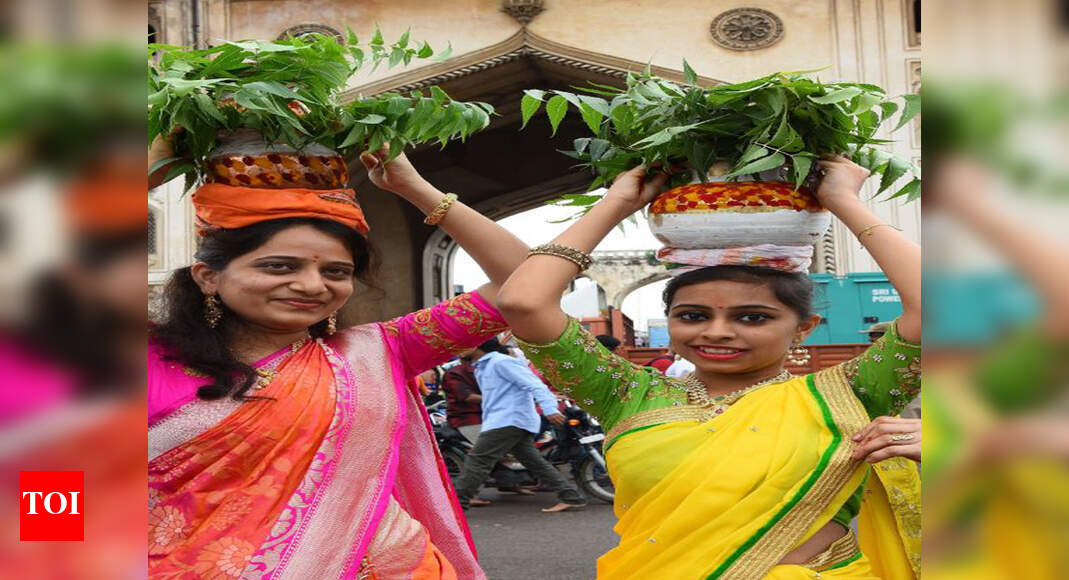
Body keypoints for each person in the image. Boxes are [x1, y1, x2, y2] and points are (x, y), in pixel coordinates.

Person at [496, 156, 922, 579]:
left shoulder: (848, 393)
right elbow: (523, 302)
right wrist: (617, 202)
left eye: (752, 317)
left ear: (803, 329)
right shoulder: (626, 392)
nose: (716, 332)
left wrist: (843, 200)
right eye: (693, 316)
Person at [147, 143, 529, 580]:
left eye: (335, 272)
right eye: (278, 266)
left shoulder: (379, 351)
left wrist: (416, 188)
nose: (311, 285)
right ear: (208, 276)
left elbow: (525, 284)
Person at [452, 338, 587, 513]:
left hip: (508, 420)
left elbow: (535, 385)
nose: (458, 348)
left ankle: (455, 507)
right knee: (534, 462)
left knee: (478, 460)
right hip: (506, 420)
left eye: (464, 343)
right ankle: (572, 498)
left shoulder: (501, 362)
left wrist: (550, 409)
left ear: (478, 345)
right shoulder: (483, 366)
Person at [442, 352, 484, 444]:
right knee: (490, 453)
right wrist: (495, 398)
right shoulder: (455, 373)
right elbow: (467, 396)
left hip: (490, 417)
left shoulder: (486, 368)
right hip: (470, 420)